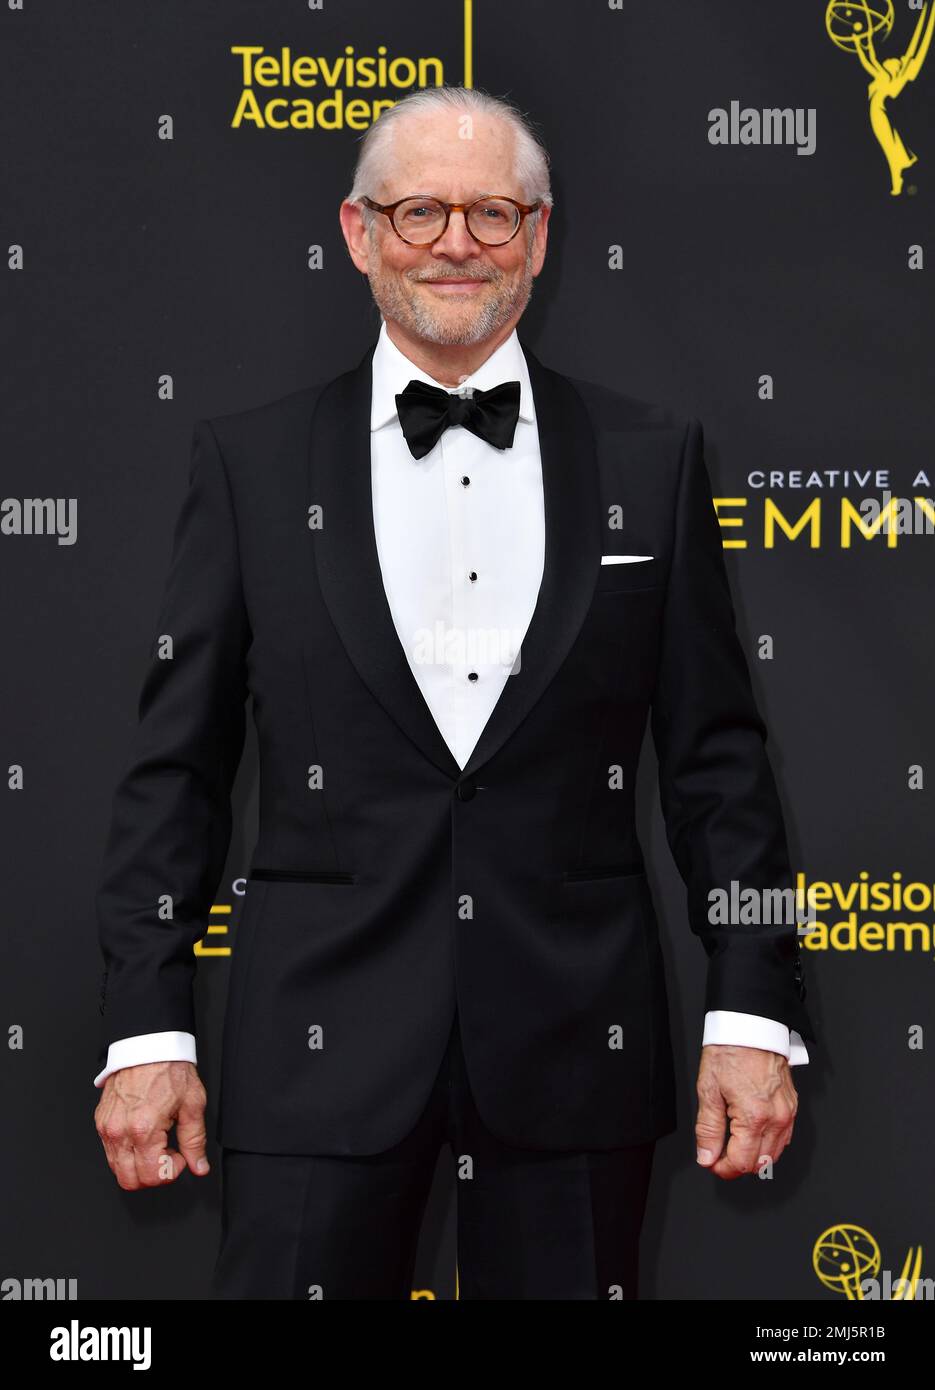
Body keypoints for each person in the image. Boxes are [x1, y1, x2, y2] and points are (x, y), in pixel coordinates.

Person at [93, 84, 815, 1300]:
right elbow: (177, 772)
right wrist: (145, 1031)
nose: (454, 244)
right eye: (419, 210)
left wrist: (749, 1011)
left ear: (537, 238)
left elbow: (717, 765)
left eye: (492, 214)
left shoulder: (652, 456)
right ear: (359, 231)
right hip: (314, 1057)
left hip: (574, 1050)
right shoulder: (252, 466)